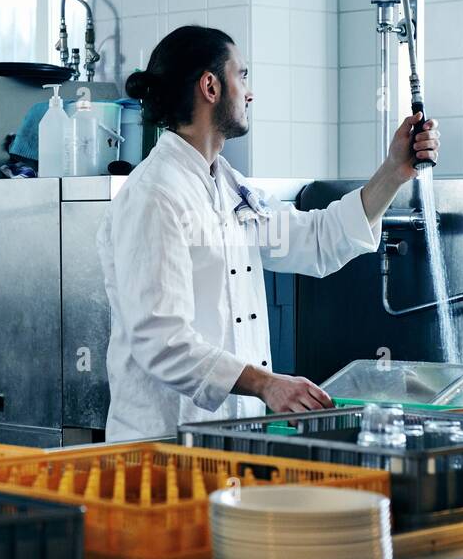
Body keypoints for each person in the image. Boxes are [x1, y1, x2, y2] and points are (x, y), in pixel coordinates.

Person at [97, 25, 439, 442]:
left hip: (228, 436)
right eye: (242, 76)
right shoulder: (154, 195)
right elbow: (161, 340)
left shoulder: (227, 187)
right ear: (210, 86)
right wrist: (266, 384)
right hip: (163, 446)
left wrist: (393, 172)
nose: (249, 92)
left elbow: (316, 239)